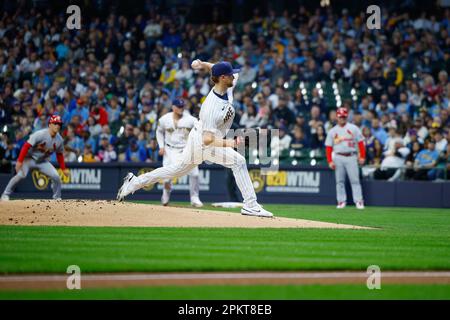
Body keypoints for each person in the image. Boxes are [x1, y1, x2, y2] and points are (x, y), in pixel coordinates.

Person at [117, 60, 273, 217]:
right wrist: (232, 142)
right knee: (237, 162)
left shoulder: (226, 84)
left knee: (178, 170)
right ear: (223, 78)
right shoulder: (211, 107)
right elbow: (207, 139)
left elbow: (215, 68)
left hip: (203, 138)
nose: (235, 76)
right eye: (231, 74)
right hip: (202, 142)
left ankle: (135, 182)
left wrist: (202, 63)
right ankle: (251, 205)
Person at [1, 115, 70, 201]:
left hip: (42, 161)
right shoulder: (40, 134)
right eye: (55, 123)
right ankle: (5, 194)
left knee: (56, 176)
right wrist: (19, 162)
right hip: (29, 159)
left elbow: (59, 154)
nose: (57, 126)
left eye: (59, 124)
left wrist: (63, 169)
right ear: (50, 125)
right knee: (21, 175)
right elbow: (26, 146)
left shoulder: (59, 139)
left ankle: (57, 198)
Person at [156, 98, 203, 207]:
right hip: (169, 150)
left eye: (182, 106)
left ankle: (194, 198)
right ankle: (166, 195)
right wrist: (161, 146)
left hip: (185, 149)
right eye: (178, 106)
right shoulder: (164, 119)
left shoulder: (190, 119)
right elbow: (158, 131)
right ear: (173, 107)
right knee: (167, 178)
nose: (181, 108)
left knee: (195, 174)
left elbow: (200, 129)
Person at [325, 107, 366, 209]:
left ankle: (359, 201)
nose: (342, 118)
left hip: (351, 156)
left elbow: (361, 143)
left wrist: (362, 156)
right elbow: (328, 147)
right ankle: (341, 201)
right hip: (338, 156)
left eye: (344, 117)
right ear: (337, 117)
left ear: (347, 116)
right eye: (340, 117)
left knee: (355, 180)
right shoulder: (333, 131)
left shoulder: (354, 128)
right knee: (339, 181)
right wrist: (330, 161)